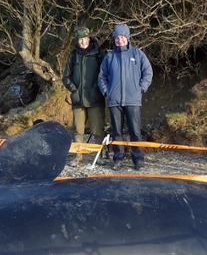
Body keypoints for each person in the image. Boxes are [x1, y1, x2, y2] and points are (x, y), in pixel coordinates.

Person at [98, 23, 153, 171]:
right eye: (117, 38)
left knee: (135, 131)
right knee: (117, 132)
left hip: (133, 100)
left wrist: (140, 89)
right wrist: (106, 92)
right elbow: (101, 77)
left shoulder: (137, 54)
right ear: (114, 39)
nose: (119, 40)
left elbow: (148, 72)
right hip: (114, 101)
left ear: (127, 38)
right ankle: (118, 158)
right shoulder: (109, 57)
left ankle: (138, 159)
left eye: (122, 37)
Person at [62, 26, 106, 146]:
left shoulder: (99, 54)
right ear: (76, 40)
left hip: (95, 99)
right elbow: (66, 77)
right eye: (80, 39)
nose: (82, 42)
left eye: (84, 38)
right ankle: (78, 154)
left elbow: (105, 75)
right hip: (78, 100)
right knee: (78, 130)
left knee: (98, 129)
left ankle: (100, 154)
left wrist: (96, 90)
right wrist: (74, 90)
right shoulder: (73, 55)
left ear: (89, 38)